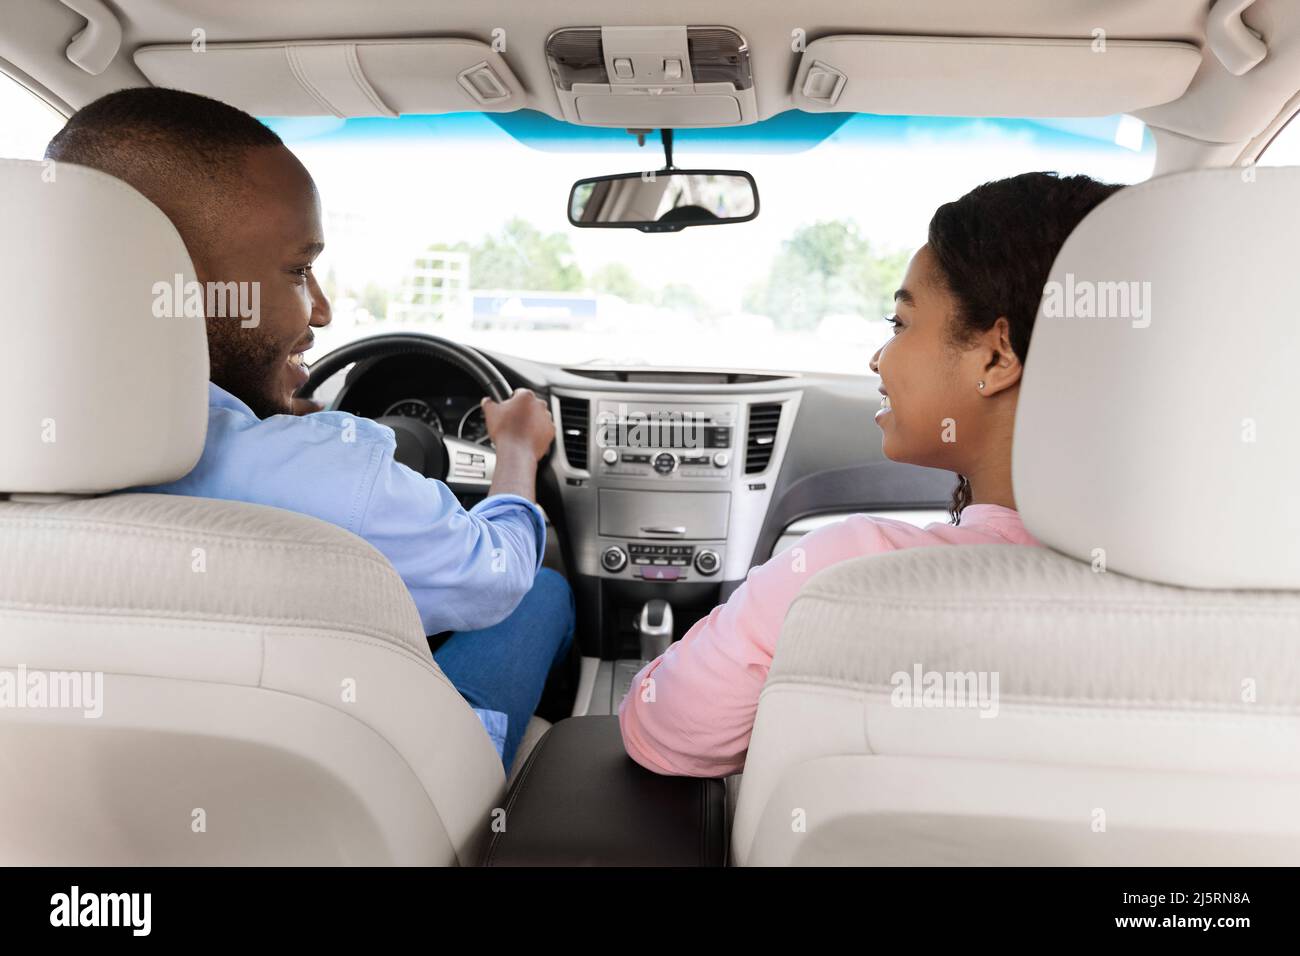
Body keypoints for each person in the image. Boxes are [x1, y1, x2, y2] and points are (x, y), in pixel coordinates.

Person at [45, 87, 572, 770]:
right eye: (298, 270)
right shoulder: (327, 473)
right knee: (542, 587)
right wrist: (517, 451)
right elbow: (494, 576)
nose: (321, 312)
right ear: (170, 282)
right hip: (367, 796)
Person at [619, 172, 1124, 777]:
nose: (878, 358)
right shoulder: (1226, 592)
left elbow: (664, 732)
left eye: (900, 324)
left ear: (996, 355)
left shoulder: (847, 571)